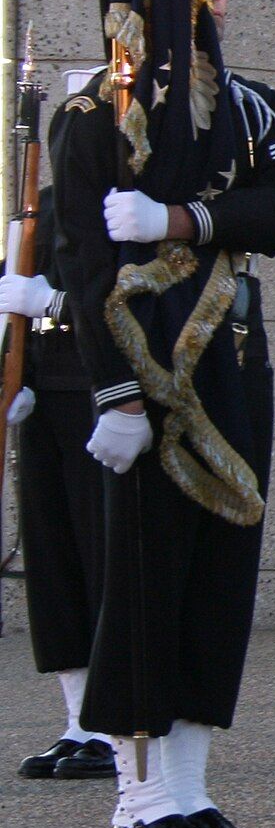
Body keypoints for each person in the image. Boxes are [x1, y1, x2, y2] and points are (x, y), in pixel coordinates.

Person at [52, 0, 275, 828]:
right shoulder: (94, 115)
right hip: (146, 374)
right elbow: (84, 263)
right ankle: (140, 800)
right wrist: (115, 394)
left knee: (216, 581)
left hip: (231, 366)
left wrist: (181, 217)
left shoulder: (252, 106)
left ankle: (189, 791)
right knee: (144, 582)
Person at [7, 64, 113, 783]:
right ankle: (79, 723)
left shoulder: (124, 210)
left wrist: (50, 301)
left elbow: (131, 299)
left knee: (101, 559)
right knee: (54, 566)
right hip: (44, 399)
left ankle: (112, 722)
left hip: (102, 396)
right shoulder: (39, 210)